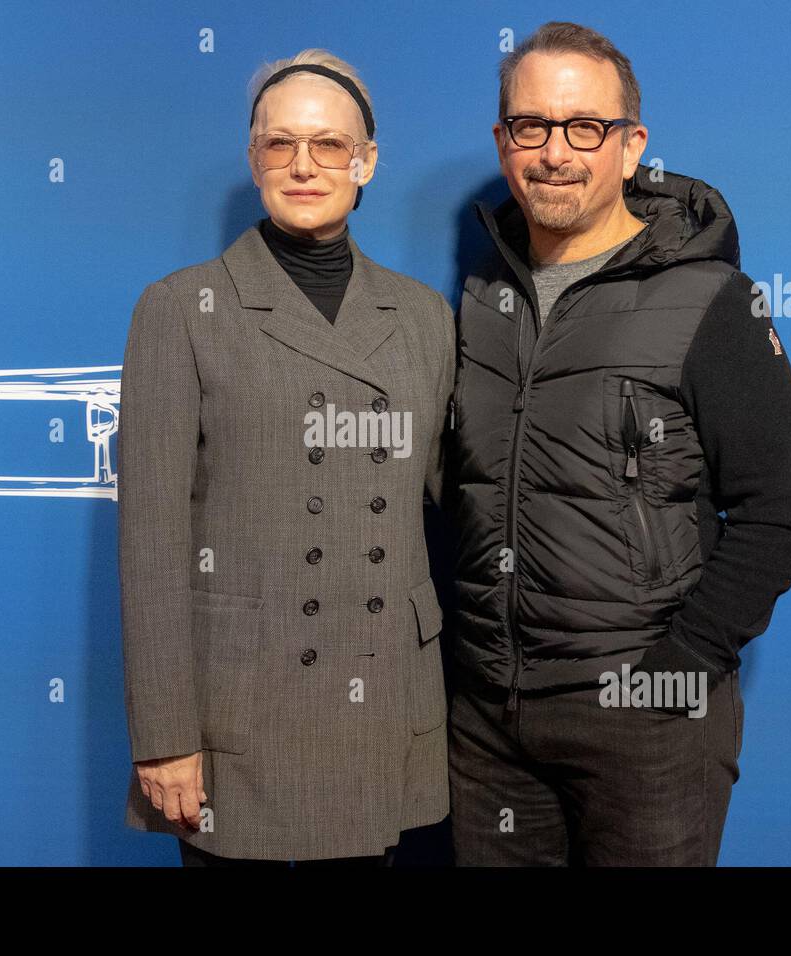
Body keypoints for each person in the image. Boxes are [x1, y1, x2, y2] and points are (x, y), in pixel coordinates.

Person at [446, 21, 791, 865]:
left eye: (586, 128)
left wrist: (674, 670)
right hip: (487, 725)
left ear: (630, 145)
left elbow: (779, 513)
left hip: (647, 727)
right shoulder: (480, 301)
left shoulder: (712, 300)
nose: (556, 152)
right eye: (531, 126)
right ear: (504, 141)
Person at [117, 49, 456, 865]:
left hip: (386, 705)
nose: (304, 166)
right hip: (244, 712)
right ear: (254, 159)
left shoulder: (423, 317)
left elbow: (463, 507)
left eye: (330, 145)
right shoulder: (181, 308)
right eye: (280, 144)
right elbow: (151, 543)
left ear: (366, 160)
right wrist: (164, 736)